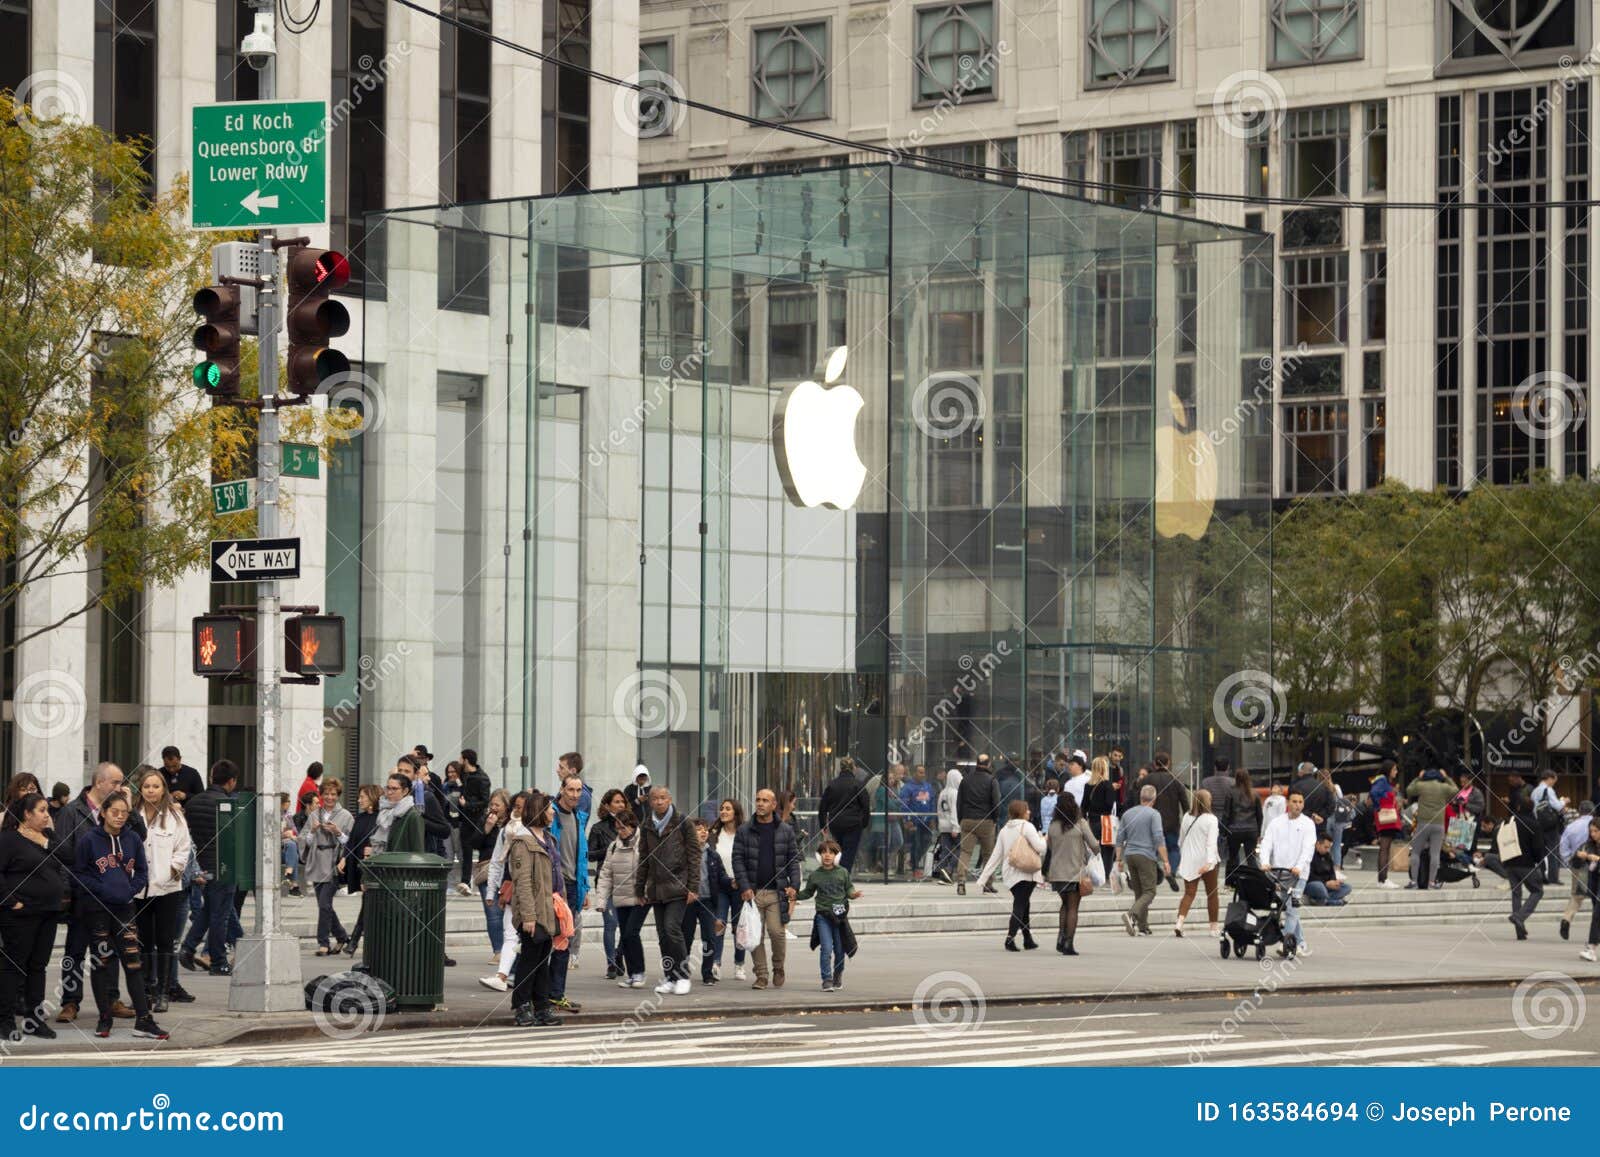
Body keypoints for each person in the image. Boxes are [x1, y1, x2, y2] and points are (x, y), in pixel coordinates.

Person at [73, 792, 166, 1040]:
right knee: (101, 963)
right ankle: (105, 1018)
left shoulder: (132, 838)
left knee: (133, 963)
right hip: (98, 910)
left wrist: (130, 890)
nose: (120, 817)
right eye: (115, 812)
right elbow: (79, 874)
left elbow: (142, 871)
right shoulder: (89, 840)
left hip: (125, 909)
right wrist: (103, 890)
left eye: (124, 813)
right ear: (103, 812)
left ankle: (144, 1020)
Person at [54, 762, 134, 1021]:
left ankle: (111, 999)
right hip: (82, 895)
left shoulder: (118, 810)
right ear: (99, 782)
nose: (120, 787)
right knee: (75, 951)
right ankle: (70, 1001)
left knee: (110, 950)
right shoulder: (72, 811)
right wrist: (67, 893)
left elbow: (133, 842)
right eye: (116, 782)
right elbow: (62, 854)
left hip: (111, 896)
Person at [0, 794, 66, 1041]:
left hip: (48, 911)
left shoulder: (47, 837)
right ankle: (5, 1021)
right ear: (27, 814)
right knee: (13, 967)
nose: (47, 815)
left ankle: (34, 1020)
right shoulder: (8, 839)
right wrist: (11, 901)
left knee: (38, 967)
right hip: (20, 914)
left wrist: (45, 841)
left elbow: (70, 857)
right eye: (41, 810)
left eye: (47, 810)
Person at [133, 768, 191, 1015]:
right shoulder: (133, 815)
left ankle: (164, 993)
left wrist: (171, 870)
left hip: (167, 887)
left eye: (155, 786)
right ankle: (146, 990)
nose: (151, 791)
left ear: (163, 789)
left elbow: (183, 848)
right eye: (147, 786)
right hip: (139, 889)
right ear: (141, 789)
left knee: (165, 940)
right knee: (144, 940)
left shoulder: (175, 817)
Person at [732, 787, 801, 990]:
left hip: (776, 892)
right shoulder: (744, 830)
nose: (760, 803)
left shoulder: (785, 830)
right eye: (758, 800)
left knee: (776, 932)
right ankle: (761, 975)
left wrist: (794, 885)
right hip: (753, 893)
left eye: (765, 800)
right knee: (755, 936)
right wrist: (744, 886)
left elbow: (793, 861)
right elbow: (737, 860)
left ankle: (778, 967)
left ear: (773, 805)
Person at [636, 786, 700, 994]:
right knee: (663, 935)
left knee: (672, 928)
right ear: (650, 802)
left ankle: (683, 976)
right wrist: (639, 888)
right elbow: (643, 858)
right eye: (655, 798)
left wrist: (693, 886)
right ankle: (670, 977)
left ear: (670, 799)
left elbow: (694, 856)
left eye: (663, 798)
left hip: (678, 885)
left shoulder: (683, 822)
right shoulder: (647, 825)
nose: (659, 801)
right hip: (656, 888)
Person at [507, 790, 559, 1028]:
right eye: (549, 808)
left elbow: (556, 874)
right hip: (533, 911)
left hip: (549, 908)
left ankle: (542, 1006)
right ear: (539, 811)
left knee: (542, 961)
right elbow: (523, 882)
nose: (553, 812)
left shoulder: (549, 838)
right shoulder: (523, 842)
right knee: (529, 960)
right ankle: (522, 1006)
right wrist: (528, 916)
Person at [977, 799, 1047, 951]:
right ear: (1021, 812)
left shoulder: (1004, 830)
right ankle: (1010, 939)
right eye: (1027, 809)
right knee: (1020, 905)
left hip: (1010, 874)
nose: (1029, 812)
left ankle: (1027, 939)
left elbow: (996, 855)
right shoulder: (1027, 826)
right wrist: (1043, 839)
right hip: (1026, 872)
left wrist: (983, 878)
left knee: (1024, 904)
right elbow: (1040, 848)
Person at [478, 792, 528, 992]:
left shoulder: (540, 832)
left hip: (533, 890)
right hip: (511, 888)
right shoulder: (505, 831)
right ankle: (503, 976)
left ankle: (522, 976)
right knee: (510, 934)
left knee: (528, 938)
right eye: (516, 806)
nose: (519, 810)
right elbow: (496, 862)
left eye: (522, 806)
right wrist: (491, 891)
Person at [1258, 789, 1317, 958]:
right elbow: (1267, 843)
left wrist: (1299, 866)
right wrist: (1264, 862)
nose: (1297, 805)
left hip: (1299, 874)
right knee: (1291, 909)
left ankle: (1285, 942)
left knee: (1292, 909)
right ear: (1288, 803)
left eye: (1300, 802)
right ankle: (1301, 943)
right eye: (1294, 801)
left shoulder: (1308, 824)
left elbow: (1308, 848)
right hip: (1280, 873)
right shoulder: (1276, 823)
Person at [592, 808, 647, 987]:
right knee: (625, 936)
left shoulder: (644, 842)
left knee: (631, 933)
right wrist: (601, 901)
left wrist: (645, 892)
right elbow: (606, 874)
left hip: (640, 898)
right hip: (621, 898)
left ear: (633, 826)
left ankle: (639, 972)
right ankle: (632, 974)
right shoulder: (614, 846)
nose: (620, 831)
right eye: (618, 828)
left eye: (624, 828)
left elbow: (651, 869)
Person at [547, 774, 588, 1011]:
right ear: (562, 789)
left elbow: (580, 856)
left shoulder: (579, 817)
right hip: (553, 886)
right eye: (570, 789)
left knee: (564, 941)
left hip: (572, 886)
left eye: (578, 790)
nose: (574, 794)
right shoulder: (550, 815)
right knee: (543, 941)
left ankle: (556, 994)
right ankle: (535, 993)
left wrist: (584, 888)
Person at [796, 839, 861, 990]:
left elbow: (849, 889)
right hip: (823, 916)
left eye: (831, 853)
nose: (827, 855)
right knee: (826, 948)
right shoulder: (815, 875)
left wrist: (853, 894)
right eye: (824, 852)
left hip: (839, 917)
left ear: (837, 856)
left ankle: (837, 974)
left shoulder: (843, 872)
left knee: (839, 950)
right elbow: (807, 893)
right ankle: (827, 979)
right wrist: (794, 895)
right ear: (818, 856)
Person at [299, 777, 353, 955]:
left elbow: (351, 842)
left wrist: (338, 832)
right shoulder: (314, 815)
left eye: (333, 794)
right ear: (321, 795)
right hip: (317, 862)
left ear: (338, 795)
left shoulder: (346, 816)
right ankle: (342, 937)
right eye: (326, 794)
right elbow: (304, 840)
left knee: (324, 904)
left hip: (333, 863)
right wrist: (313, 831)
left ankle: (323, 943)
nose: (329, 797)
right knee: (325, 905)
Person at [1044, 793, 1098, 955]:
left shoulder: (1053, 825)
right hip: (1075, 872)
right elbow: (1094, 845)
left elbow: (1050, 847)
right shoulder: (1080, 823)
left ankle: (1061, 938)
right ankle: (1068, 943)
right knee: (1073, 907)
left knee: (1065, 905)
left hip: (1056, 873)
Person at [1116, 784, 1169, 936]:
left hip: (1130, 856)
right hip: (1146, 856)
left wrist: (1118, 859)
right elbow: (1158, 838)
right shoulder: (1154, 814)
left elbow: (1119, 838)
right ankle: (1131, 914)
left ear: (1140, 797)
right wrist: (1165, 860)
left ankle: (1143, 926)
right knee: (1150, 891)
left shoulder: (1127, 814)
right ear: (1154, 799)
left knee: (1140, 893)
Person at [682, 818, 730, 984]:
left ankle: (707, 973)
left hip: (708, 901)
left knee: (709, 937)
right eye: (699, 829)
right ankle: (683, 969)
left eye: (706, 829)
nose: (704, 832)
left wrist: (731, 882)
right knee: (686, 937)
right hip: (688, 901)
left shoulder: (713, 855)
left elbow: (721, 876)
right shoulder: (684, 853)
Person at [1502, 772, 1545, 940]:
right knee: (1537, 891)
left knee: (1516, 893)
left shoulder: (1509, 821)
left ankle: (1519, 930)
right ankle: (1519, 917)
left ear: (1518, 807)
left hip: (1510, 862)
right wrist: (1539, 862)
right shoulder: (1534, 824)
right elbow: (1538, 848)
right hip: (1526, 863)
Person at [588, 788, 626, 976]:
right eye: (616, 802)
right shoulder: (598, 828)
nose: (621, 805)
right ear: (608, 805)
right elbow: (589, 854)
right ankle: (611, 964)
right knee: (611, 923)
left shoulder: (632, 827)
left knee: (628, 927)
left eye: (622, 802)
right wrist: (610, 849)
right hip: (607, 881)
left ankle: (619, 954)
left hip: (628, 882)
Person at [709, 798, 748, 980]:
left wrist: (744, 881)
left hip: (741, 887)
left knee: (739, 927)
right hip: (721, 886)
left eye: (728, 809)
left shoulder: (745, 834)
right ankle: (715, 964)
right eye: (722, 808)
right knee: (719, 923)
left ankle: (739, 964)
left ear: (736, 812)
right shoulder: (714, 834)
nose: (723, 811)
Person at [1174, 788, 1220, 938]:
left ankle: (1179, 923)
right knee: (1212, 894)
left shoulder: (1186, 817)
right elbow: (1211, 843)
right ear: (1208, 801)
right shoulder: (1211, 819)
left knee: (1189, 893)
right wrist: (1209, 862)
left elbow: (1181, 840)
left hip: (1189, 859)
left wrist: (1184, 855)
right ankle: (1213, 927)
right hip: (1206, 860)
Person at [955, 754, 1002, 895]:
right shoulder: (992, 780)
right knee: (988, 854)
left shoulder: (965, 780)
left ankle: (961, 881)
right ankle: (988, 884)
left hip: (967, 820)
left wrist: (960, 819)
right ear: (989, 764)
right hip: (986, 821)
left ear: (976, 763)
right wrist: (995, 819)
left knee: (965, 852)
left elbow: (959, 802)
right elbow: (996, 802)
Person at [343, 783, 381, 956]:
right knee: (368, 905)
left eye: (362, 797)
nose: (359, 800)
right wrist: (344, 858)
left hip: (375, 870)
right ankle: (357, 942)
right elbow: (352, 841)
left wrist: (373, 851)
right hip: (360, 867)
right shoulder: (360, 818)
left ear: (372, 798)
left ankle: (354, 941)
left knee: (367, 905)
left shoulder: (381, 818)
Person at [1144, 754, 1189, 892]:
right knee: (1173, 848)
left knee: (1151, 849)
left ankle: (1154, 873)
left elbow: (1137, 797)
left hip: (1150, 821)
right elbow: (1185, 802)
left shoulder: (1147, 779)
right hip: (1171, 822)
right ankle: (1172, 871)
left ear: (1155, 764)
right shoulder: (1175, 780)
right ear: (1168, 763)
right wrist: (1187, 817)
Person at [1406, 767, 1455, 890]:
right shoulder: (1443, 787)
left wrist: (1418, 778)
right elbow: (1455, 790)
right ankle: (1432, 883)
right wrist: (1446, 778)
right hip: (1438, 824)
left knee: (1416, 852)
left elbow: (1409, 790)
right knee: (1435, 854)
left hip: (1423, 823)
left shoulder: (1421, 785)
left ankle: (1414, 882)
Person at [818, 757, 870, 871]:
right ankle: (843, 876)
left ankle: (838, 874)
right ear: (853, 768)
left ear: (840, 768)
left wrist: (823, 825)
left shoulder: (832, 785)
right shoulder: (858, 785)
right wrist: (864, 823)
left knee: (838, 851)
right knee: (849, 853)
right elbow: (866, 806)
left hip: (835, 824)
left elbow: (823, 807)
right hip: (853, 824)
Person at [1558, 801, 1596, 941]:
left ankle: (1566, 919)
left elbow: (1563, 846)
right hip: (1596, 863)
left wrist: (1569, 860)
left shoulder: (1571, 827)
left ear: (1580, 811)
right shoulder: (1596, 825)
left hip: (1578, 864)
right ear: (1593, 811)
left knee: (1577, 895)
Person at [456, 750, 492, 897]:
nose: (459, 761)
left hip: (477, 820)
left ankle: (484, 882)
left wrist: (467, 805)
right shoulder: (464, 775)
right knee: (466, 851)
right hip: (465, 820)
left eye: (461, 758)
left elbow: (485, 801)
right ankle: (466, 882)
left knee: (481, 850)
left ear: (466, 760)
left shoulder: (482, 778)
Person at [1082, 757, 1119, 884]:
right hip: (1106, 822)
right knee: (1107, 850)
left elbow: (1083, 806)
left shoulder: (1087, 786)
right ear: (1104, 769)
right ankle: (1106, 874)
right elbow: (1109, 805)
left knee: (1094, 849)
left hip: (1092, 821)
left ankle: (1095, 873)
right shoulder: (1108, 785)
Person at [1220, 767, 1261, 876]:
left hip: (1234, 830)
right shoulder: (1255, 794)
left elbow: (1226, 814)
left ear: (1236, 778)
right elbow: (1259, 815)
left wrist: (1223, 831)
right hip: (1251, 830)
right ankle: (1256, 879)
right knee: (1251, 858)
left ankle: (1231, 881)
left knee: (1232, 857)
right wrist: (1258, 832)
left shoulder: (1230, 792)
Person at [899, 765, 937, 878]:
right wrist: (908, 820)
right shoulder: (907, 787)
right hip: (914, 822)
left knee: (927, 841)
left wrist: (932, 818)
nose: (922, 775)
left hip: (927, 821)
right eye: (920, 772)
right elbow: (904, 805)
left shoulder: (928, 786)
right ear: (914, 773)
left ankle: (913, 862)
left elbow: (932, 802)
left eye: (923, 772)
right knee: (916, 844)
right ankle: (915, 868)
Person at [1532, 769, 1569, 884]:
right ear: (1549, 778)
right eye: (1554, 781)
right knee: (1553, 851)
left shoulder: (1535, 791)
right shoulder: (1548, 790)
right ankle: (1553, 877)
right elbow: (1557, 806)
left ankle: (1541, 876)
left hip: (1538, 823)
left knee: (1541, 851)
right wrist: (1564, 801)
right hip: (1551, 825)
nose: (1553, 783)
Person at [1571, 819, 1600, 962]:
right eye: (1591, 831)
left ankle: (1591, 947)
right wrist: (1579, 856)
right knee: (1597, 913)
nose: (1593, 834)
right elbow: (1574, 863)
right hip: (1594, 882)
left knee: (1597, 914)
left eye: (1596, 831)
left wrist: (1597, 859)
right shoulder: (1589, 845)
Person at [1371, 768, 1404, 888]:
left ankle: (1383, 879)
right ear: (1388, 770)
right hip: (1386, 818)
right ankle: (1383, 879)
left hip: (1387, 817)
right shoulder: (1382, 780)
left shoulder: (1384, 781)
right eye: (1394, 769)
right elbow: (1373, 793)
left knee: (1385, 848)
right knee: (1385, 848)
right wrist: (1379, 806)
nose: (1396, 771)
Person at [1304, 836, 1351, 906]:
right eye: (1325, 847)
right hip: (1314, 884)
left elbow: (1332, 872)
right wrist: (1325, 883)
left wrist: (1334, 881)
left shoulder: (1327, 856)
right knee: (1319, 887)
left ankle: (1325, 900)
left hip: (1327, 884)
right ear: (1318, 844)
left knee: (1347, 887)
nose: (1327, 850)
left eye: (1329, 848)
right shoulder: (1309, 855)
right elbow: (1309, 875)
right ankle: (1330, 900)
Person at [934, 768, 961, 883]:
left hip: (943, 825)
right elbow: (954, 811)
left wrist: (940, 824)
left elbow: (939, 811)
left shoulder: (943, 792)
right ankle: (949, 869)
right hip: (952, 826)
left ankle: (941, 873)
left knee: (946, 851)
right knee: (961, 849)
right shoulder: (954, 793)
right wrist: (956, 827)